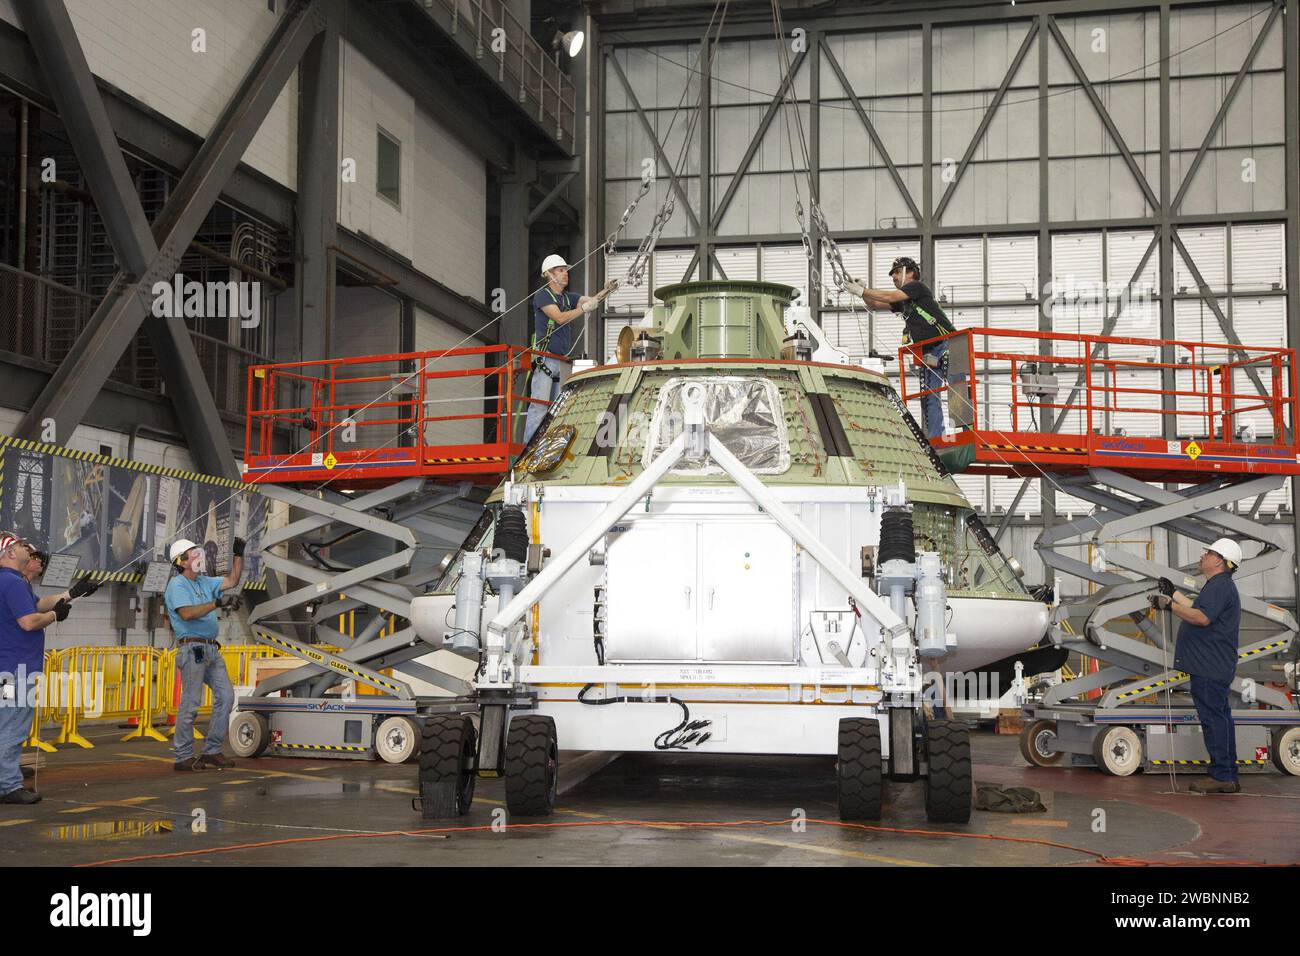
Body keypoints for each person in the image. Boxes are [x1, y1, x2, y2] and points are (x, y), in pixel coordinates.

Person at [1150, 537, 1243, 793]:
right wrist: (1174, 594)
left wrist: (1169, 605)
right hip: (1214, 665)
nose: (1203, 555)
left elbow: (1201, 617)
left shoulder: (1220, 586)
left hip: (1209, 666)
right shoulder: (1217, 586)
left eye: (1209, 552)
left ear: (1220, 561)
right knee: (1220, 719)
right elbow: (1198, 607)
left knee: (1214, 720)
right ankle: (1227, 774)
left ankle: (1222, 775)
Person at [0, 535, 77, 805]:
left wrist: (72, 594)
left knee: (5, 723)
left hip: (6, 669)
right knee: (13, 726)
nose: (28, 551)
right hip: (17, 670)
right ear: (9, 552)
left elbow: (37, 603)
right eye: (22, 547)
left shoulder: (11, 582)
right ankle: (8, 785)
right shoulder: (12, 581)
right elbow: (30, 621)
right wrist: (56, 616)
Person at [845, 257, 957, 439]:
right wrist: (862, 293)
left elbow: (891, 296)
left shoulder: (916, 287)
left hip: (949, 344)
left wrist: (863, 290)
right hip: (930, 351)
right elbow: (875, 304)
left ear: (910, 272)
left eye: (897, 272)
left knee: (956, 392)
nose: (894, 277)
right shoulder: (903, 300)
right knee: (930, 397)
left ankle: (965, 434)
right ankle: (938, 439)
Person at [164, 536, 244, 771]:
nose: (199, 557)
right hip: (192, 649)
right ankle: (183, 756)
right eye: (193, 554)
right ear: (181, 561)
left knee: (226, 696)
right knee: (191, 703)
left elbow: (232, 580)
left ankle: (212, 751)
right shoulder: (177, 585)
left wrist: (238, 555)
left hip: (210, 648)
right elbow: (187, 613)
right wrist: (216, 604)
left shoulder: (205, 581)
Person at [522, 254, 599, 445]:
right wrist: (584, 309)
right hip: (546, 359)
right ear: (549, 274)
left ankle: (548, 449)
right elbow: (560, 318)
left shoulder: (567, 297)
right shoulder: (542, 296)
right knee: (539, 407)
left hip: (560, 361)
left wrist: (606, 291)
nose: (566, 274)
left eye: (566, 270)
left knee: (558, 410)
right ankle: (528, 449)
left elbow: (588, 300)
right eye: (561, 270)